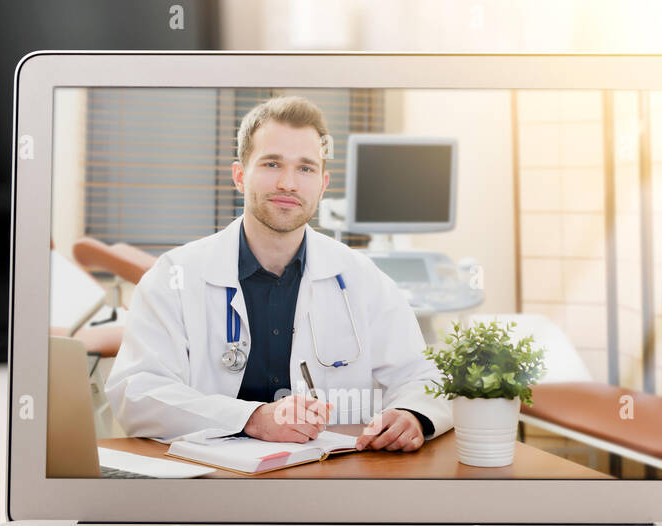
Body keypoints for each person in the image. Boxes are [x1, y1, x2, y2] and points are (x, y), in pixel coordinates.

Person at [106, 95, 452, 451]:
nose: (288, 183)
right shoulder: (174, 276)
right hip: (211, 472)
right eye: (272, 164)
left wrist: (412, 414)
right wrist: (252, 418)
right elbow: (137, 391)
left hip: (329, 471)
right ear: (240, 176)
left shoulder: (361, 278)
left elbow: (421, 375)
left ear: (322, 184)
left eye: (306, 168)